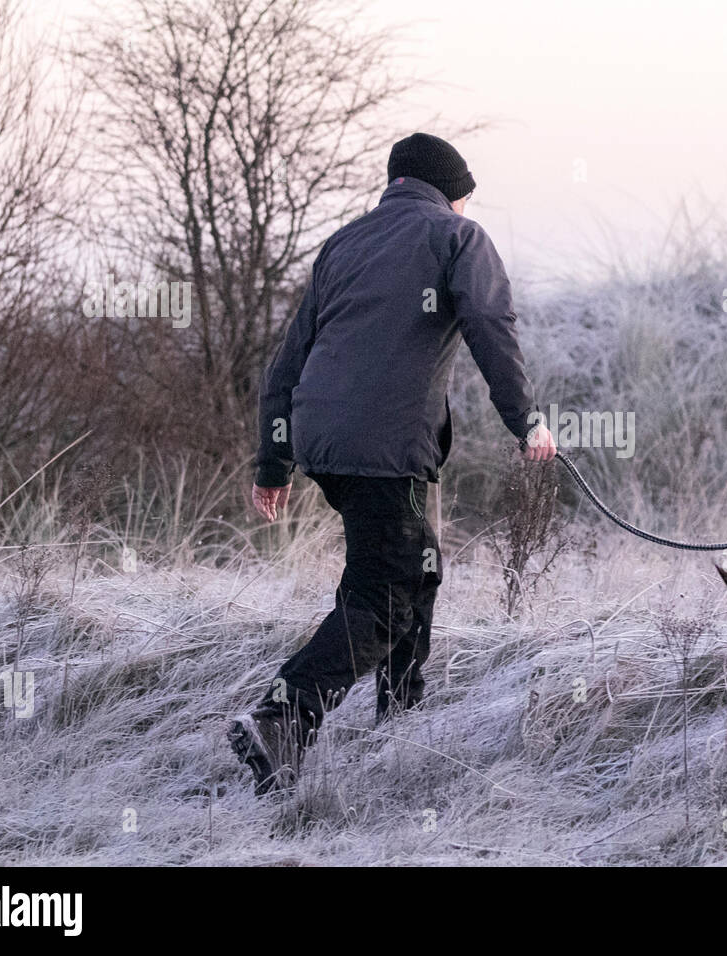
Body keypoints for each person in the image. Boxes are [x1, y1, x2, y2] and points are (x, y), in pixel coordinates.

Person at [228, 132, 556, 795]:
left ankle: (400, 723)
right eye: (465, 198)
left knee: (409, 568)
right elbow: (492, 325)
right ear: (453, 193)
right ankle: (281, 718)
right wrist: (527, 421)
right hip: (384, 444)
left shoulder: (345, 243)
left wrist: (273, 461)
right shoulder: (456, 237)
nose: (465, 208)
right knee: (390, 590)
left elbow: (285, 365)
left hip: (323, 436)